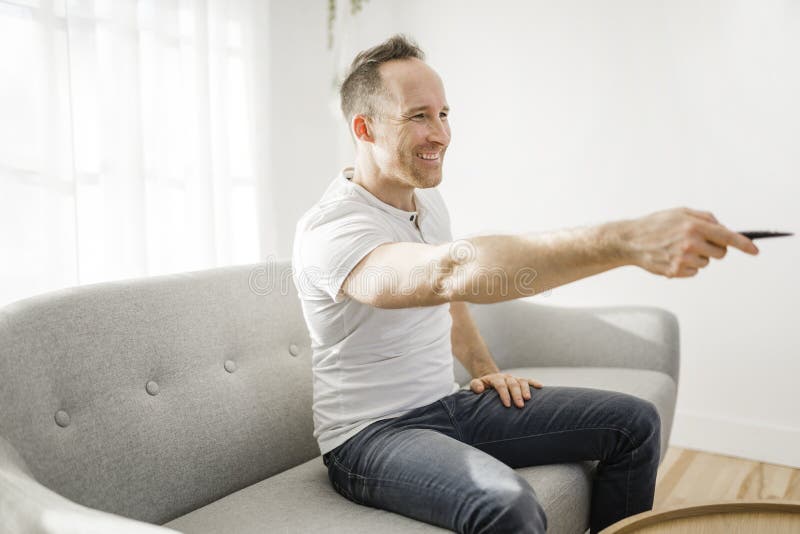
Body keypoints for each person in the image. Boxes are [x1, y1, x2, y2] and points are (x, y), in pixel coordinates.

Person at [291, 34, 759, 534]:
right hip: (370, 437)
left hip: (447, 404)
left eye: (444, 114)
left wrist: (486, 370)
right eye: (418, 116)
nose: (441, 134)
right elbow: (447, 273)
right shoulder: (333, 229)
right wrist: (625, 241)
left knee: (635, 423)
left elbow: (448, 299)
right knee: (508, 506)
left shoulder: (426, 203)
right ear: (364, 128)